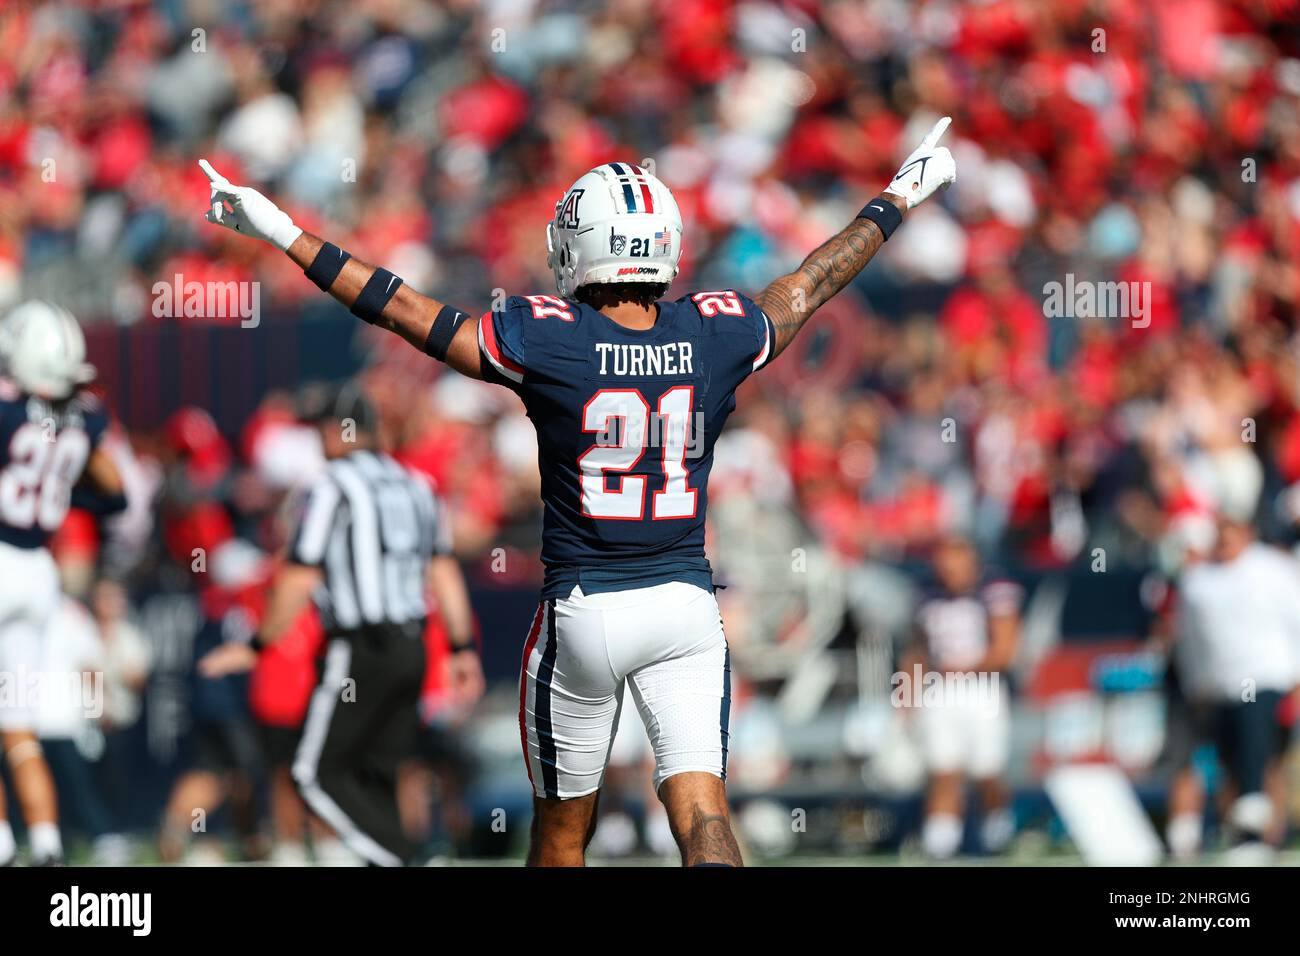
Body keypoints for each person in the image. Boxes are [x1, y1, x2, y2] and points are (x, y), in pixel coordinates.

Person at [196, 118, 957, 866]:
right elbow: (813, 282)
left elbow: (401, 308)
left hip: (586, 609)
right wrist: (897, 199)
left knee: (562, 836)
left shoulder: (552, 336)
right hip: (686, 608)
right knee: (702, 815)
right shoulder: (715, 334)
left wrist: (284, 233)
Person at [200, 383, 477, 866]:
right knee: (380, 770)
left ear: (337, 431)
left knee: (312, 773)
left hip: (359, 647)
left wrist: (259, 643)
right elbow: (445, 572)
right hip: (412, 646)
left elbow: (300, 574)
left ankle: (405, 857)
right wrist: (461, 648)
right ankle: (403, 853)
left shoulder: (330, 487)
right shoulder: (416, 485)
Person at [0, 301, 126, 867]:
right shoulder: (86, 416)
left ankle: (4, 844)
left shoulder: (8, 411)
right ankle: (47, 843)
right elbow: (116, 493)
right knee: (16, 724)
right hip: (39, 576)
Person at [1175, 512, 1300, 857]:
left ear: (1247, 532)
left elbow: (1296, 620)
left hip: (1268, 678)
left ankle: (1264, 836)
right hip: (1219, 686)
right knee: (1229, 763)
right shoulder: (1199, 579)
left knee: (1262, 757)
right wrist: (1196, 682)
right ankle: (1241, 834)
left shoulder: (1274, 570)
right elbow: (1191, 640)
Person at [903, 535, 1021, 859]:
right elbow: (917, 650)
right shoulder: (925, 594)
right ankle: (940, 845)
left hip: (982, 688)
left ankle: (998, 833)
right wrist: (906, 696)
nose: (949, 571)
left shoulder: (994, 590)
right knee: (943, 769)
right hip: (939, 689)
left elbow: (1005, 650)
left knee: (987, 771)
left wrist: (965, 668)